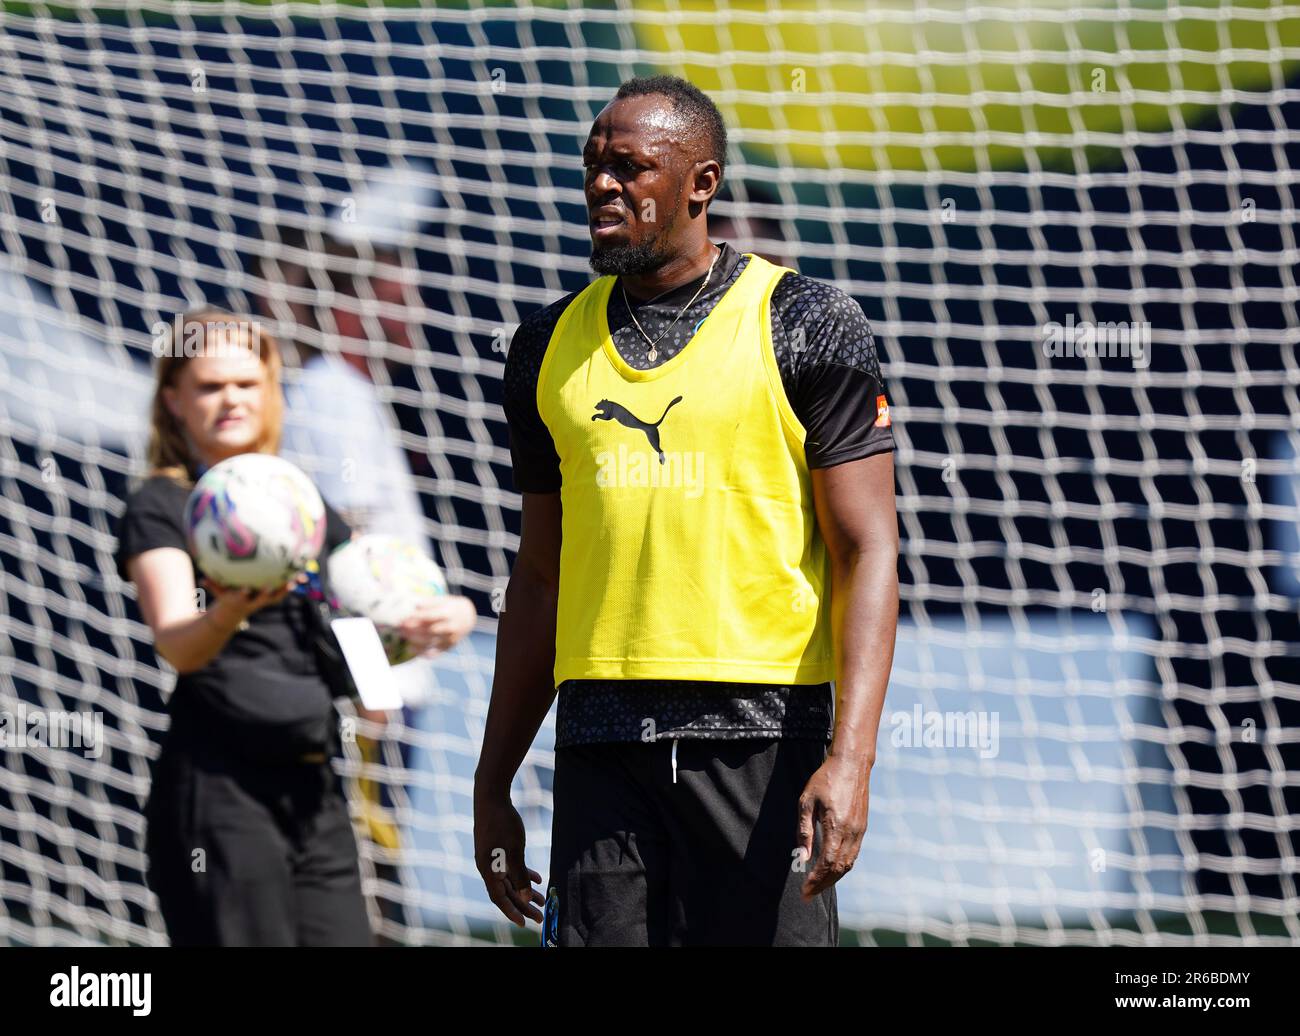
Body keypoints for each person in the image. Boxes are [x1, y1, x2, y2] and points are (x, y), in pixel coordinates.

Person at [474, 75, 899, 946]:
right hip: (598, 748)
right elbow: (540, 578)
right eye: (593, 166)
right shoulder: (543, 345)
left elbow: (868, 551)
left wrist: (850, 759)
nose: (602, 185)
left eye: (630, 167)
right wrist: (492, 785)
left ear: (701, 184)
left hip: (764, 743)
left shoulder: (808, 323)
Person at [115, 309, 463, 946]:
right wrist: (230, 608)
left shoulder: (302, 500)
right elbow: (177, 644)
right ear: (173, 400)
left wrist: (428, 627)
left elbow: (359, 620)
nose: (231, 400)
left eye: (247, 384)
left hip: (315, 791)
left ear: (271, 392)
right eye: (209, 386)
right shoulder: (162, 504)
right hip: (222, 799)